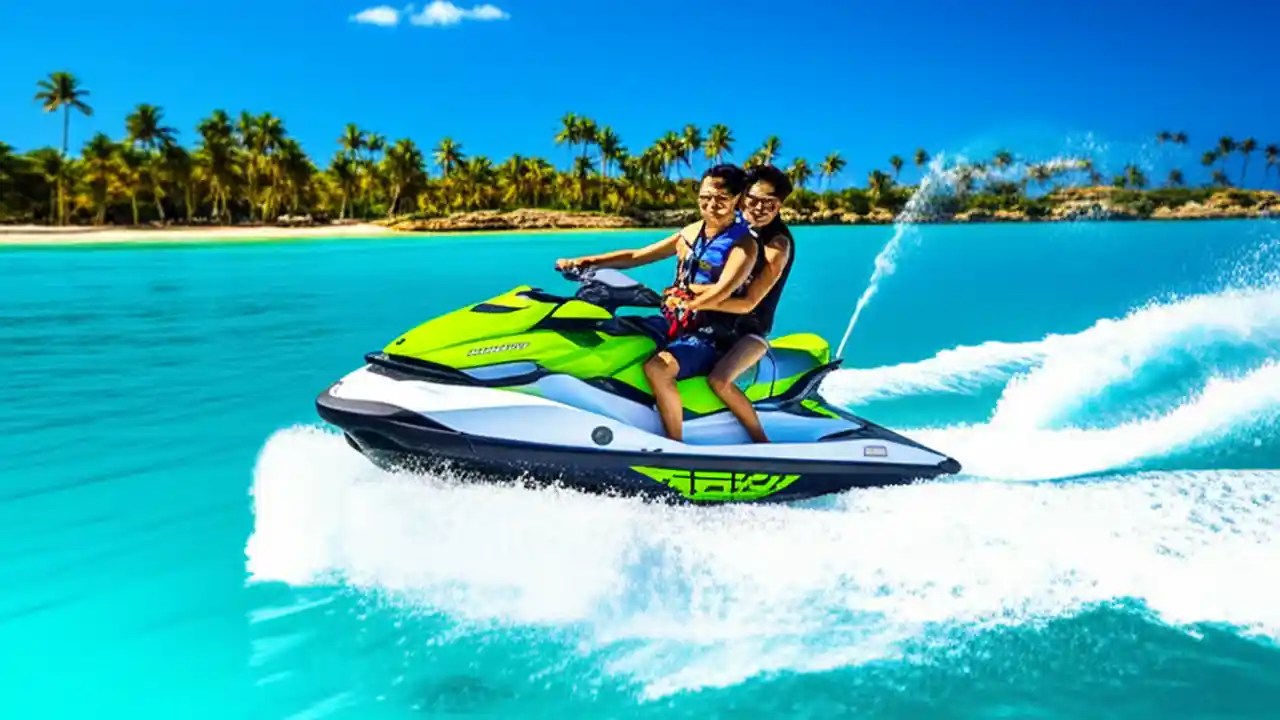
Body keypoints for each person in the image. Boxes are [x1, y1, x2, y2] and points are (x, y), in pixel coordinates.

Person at [555, 164, 757, 441]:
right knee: (612, 330)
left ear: (737, 200)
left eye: (721, 200)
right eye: (705, 197)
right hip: (673, 322)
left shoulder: (743, 245)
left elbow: (723, 291)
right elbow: (638, 256)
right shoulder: (690, 232)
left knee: (657, 369)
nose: (711, 205)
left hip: (710, 334)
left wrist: (690, 302)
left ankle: (674, 444)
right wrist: (587, 261)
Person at [682, 164, 795, 442]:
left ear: (778, 205)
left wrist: (694, 300)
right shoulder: (736, 230)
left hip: (749, 331)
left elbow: (747, 303)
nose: (757, 208)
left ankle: (761, 443)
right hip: (718, 323)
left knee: (719, 381)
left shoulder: (776, 246)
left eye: (768, 203)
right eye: (752, 199)